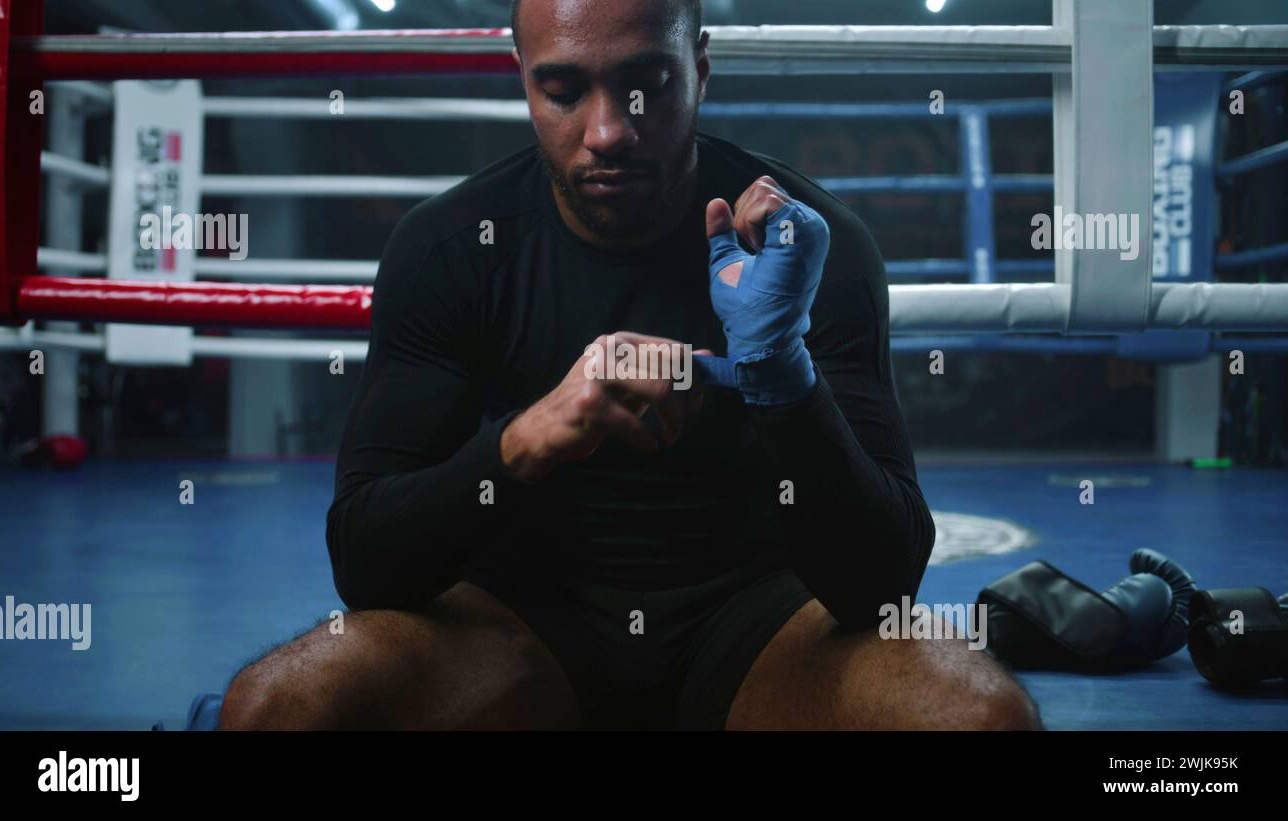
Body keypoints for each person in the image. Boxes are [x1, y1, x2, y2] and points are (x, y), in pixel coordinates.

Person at [220, 0, 1042, 730]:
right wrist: (519, 444)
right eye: (564, 90)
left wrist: (779, 372)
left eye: (647, 83)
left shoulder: (803, 245)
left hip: (763, 637)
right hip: (519, 634)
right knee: (277, 708)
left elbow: (882, 586)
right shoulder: (451, 250)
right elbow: (366, 563)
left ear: (700, 68)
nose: (609, 131)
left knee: (980, 717)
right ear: (522, 77)